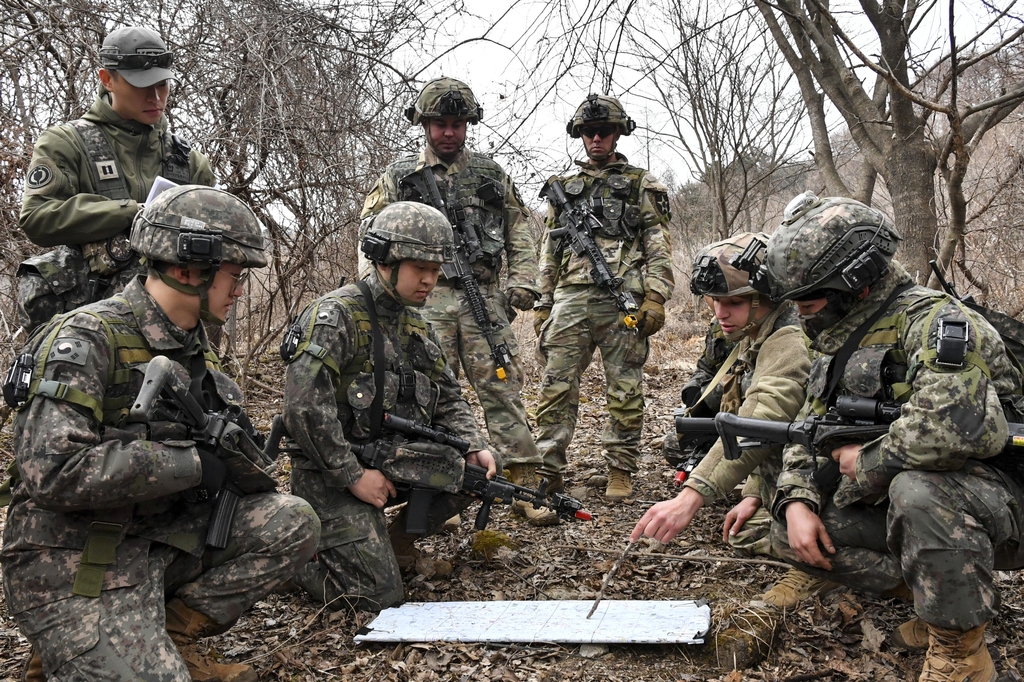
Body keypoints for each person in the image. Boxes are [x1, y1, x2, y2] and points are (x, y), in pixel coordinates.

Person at [1, 185, 320, 682]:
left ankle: (168, 638)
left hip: (156, 538)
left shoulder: (195, 345)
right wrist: (188, 465)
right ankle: (72, 641)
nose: (240, 291)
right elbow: (52, 471)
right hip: (76, 557)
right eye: (235, 276)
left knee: (292, 522)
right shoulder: (87, 338)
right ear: (189, 269)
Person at [761, 193, 1024, 681]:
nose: (800, 314)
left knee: (918, 489)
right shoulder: (839, 334)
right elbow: (810, 422)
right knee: (788, 530)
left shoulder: (936, 324)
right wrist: (796, 499)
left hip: (1004, 500)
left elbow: (953, 430)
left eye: (809, 301)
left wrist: (865, 464)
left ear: (854, 285)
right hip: (951, 504)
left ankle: (962, 654)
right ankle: (939, 602)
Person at [282, 201, 498, 613]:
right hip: (330, 478)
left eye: (436, 271)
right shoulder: (336, 316)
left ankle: (396, 544)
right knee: (380, 598)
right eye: (420, 269)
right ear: (385, 260)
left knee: (476, 471)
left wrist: (473, 443)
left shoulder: (416, 324)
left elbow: (449, 396)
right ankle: (294, 565)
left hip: (392, 464)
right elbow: (304, 409)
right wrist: (353, 476)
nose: (430, 281)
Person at [359, 78, 548, 524]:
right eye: (440, 124)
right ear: (424, 125)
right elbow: (371, 237)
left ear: (468, 126)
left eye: (457, 124)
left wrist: (522, 283)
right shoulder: (399, 177)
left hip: (483, 297)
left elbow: (520, 229)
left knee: (503, 386)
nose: (449, 132)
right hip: (423, 302)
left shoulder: (489, 174)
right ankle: (446, 486)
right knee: (426, 396)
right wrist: (380, 295)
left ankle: (521, 481)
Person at [631, 233, 833, 608]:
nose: (720, 313)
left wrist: (690, 498)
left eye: (734, 302)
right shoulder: (757, 327)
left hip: (832, 473)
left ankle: (831, 569)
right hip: (799, 466)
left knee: (793, 538)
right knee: (742, 533)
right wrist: (756, 491)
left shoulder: (789, 338)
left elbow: (762, 418)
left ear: (768, 297)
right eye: (714, 302)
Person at [17, 25, 215, 333]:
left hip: (170, 330)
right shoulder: (66, 143)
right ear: (107, 79)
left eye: (163, 85)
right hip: (82, 329)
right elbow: (37, 217)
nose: (155, 96)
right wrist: (131, 212)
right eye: (142, 85)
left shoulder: (188, 162)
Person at [533, 93, 674, 506]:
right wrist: (544, 300)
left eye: (604, 131)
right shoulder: (562, 188)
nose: (596, 139)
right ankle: (548, 468)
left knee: (625, 386)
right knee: (556, 385)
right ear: (580, 135)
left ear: (617, 133)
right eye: (589, 132)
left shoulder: (641, 184)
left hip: (622, 298)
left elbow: (658, 243)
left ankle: (620, 468)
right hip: (571, 298)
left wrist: (656, 296)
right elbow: (549, 249)